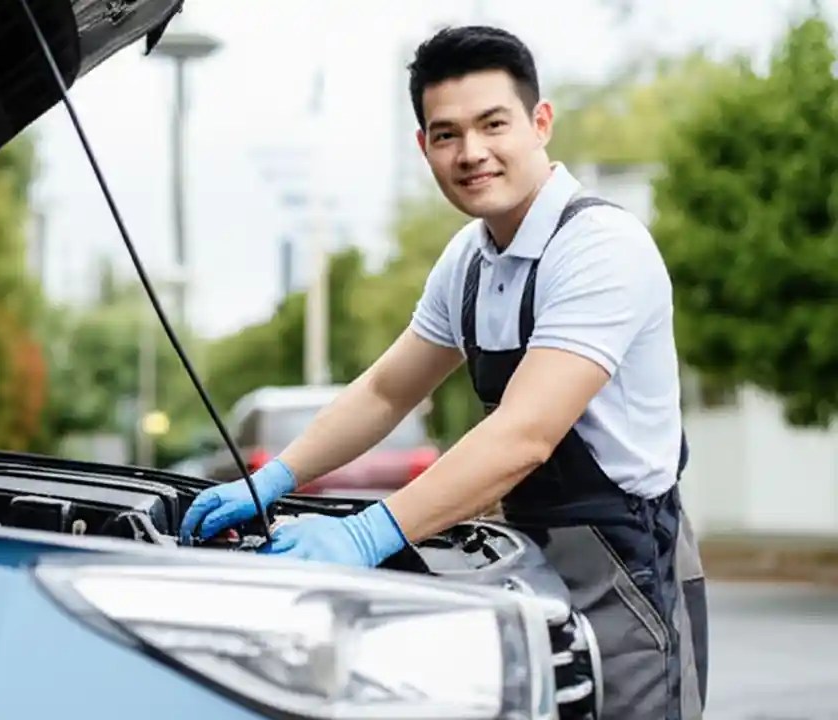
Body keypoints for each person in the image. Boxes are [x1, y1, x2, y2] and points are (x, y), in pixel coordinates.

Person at [179, 24, 708, 720]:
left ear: (540, 122)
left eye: (493, 125)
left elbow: (525, 435)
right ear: (425, 147)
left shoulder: (601, 249)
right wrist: (278, 475)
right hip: (527, 560)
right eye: (447, 134)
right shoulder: (470, 257)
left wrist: (367, 534)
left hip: (628, 572)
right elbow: (386, 389)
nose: (472, 153)